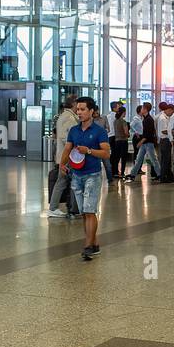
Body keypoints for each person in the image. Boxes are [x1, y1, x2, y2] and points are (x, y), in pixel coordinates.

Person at [60, 97, 111, 261]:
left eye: (83, 109)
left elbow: (106, 153)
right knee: (84, 212)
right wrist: (62, 164)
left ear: (91, 111)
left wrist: (88, 151)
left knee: (90, 211)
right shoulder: (74, 130)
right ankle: (94, 244)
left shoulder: (99, 132)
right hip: (77, 176)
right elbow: (67, 149)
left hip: (93, 175)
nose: (79, 112)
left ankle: (88, 246)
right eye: (78, 109)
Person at [47, 96, 79, 217]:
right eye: (78, 105)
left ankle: (62, 207)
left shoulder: (65, 116)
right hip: (67, 156)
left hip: (65, 155)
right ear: (73, 104)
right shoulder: (69, 118)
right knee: (62, 181)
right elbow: (67, 138)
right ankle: (55, 207)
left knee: (63, 181)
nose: (80, 108)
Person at [127, 103, 161, 180]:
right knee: (139, 159)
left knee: (153, 159)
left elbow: (148, 134)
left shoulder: (149, 119)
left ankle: (159, 175)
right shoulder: (145, 119)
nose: (141, 109)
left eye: (142, 108)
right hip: (145, 143)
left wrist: (140, 141)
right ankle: (133, 174)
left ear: (145, 109)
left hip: (148, 143)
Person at [110, 104, 131, 182]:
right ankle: (122, 172)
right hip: (123, 141)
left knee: (116, 157)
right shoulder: (123, 121)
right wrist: (128, 134)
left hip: (117, 141)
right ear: (123, 113)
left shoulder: (115, 121)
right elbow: (126, 133)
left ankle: (115, 172)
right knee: (124, 158)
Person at [157, 102, 174, 184]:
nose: (172, 114)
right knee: (165, 160)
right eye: (172, 112)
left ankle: (169, 176)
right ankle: (163, 177)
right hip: (164, 141)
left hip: (166, 141)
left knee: (168, 160)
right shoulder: (163, 119)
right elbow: (164, 131)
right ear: (168, 110)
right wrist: (173, 132)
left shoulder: (166, 117)